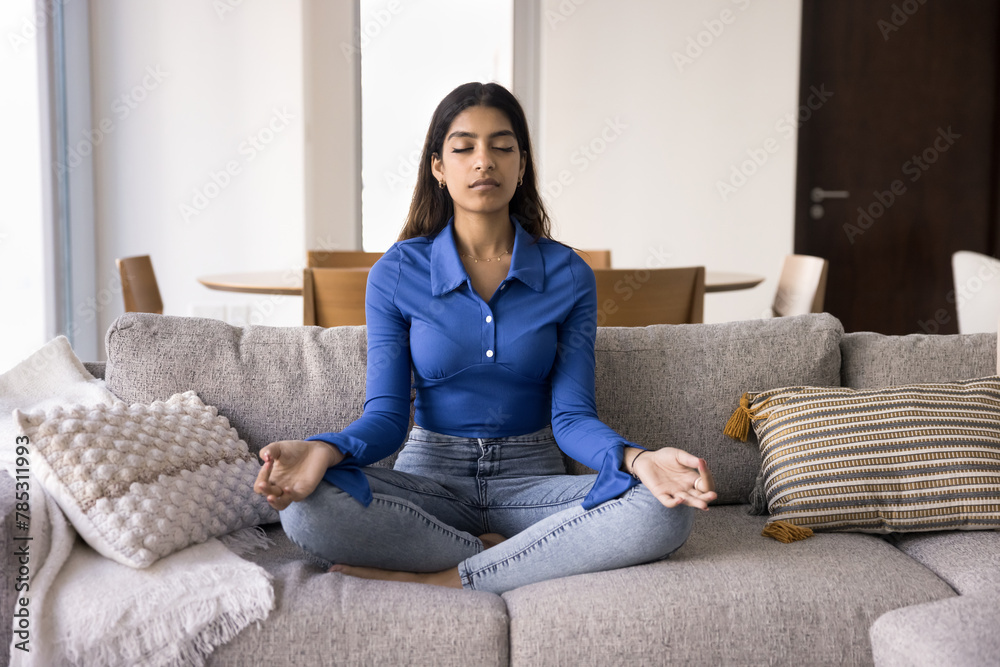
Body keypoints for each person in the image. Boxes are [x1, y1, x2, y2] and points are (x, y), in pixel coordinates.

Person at [253, 82, 716, 595]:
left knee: (662, 511)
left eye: (501, 146)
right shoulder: (398, 272)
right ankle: (516, 562)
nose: (483, 161)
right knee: (309, 510)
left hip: (532, 483)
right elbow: (385, 420)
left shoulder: (567, 273)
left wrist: (638, 459)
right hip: (431, 482)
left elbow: (572, 419)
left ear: (522, 165)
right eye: (464, 147)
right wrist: (325, 450)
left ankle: (453, 574)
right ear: (438, 166)